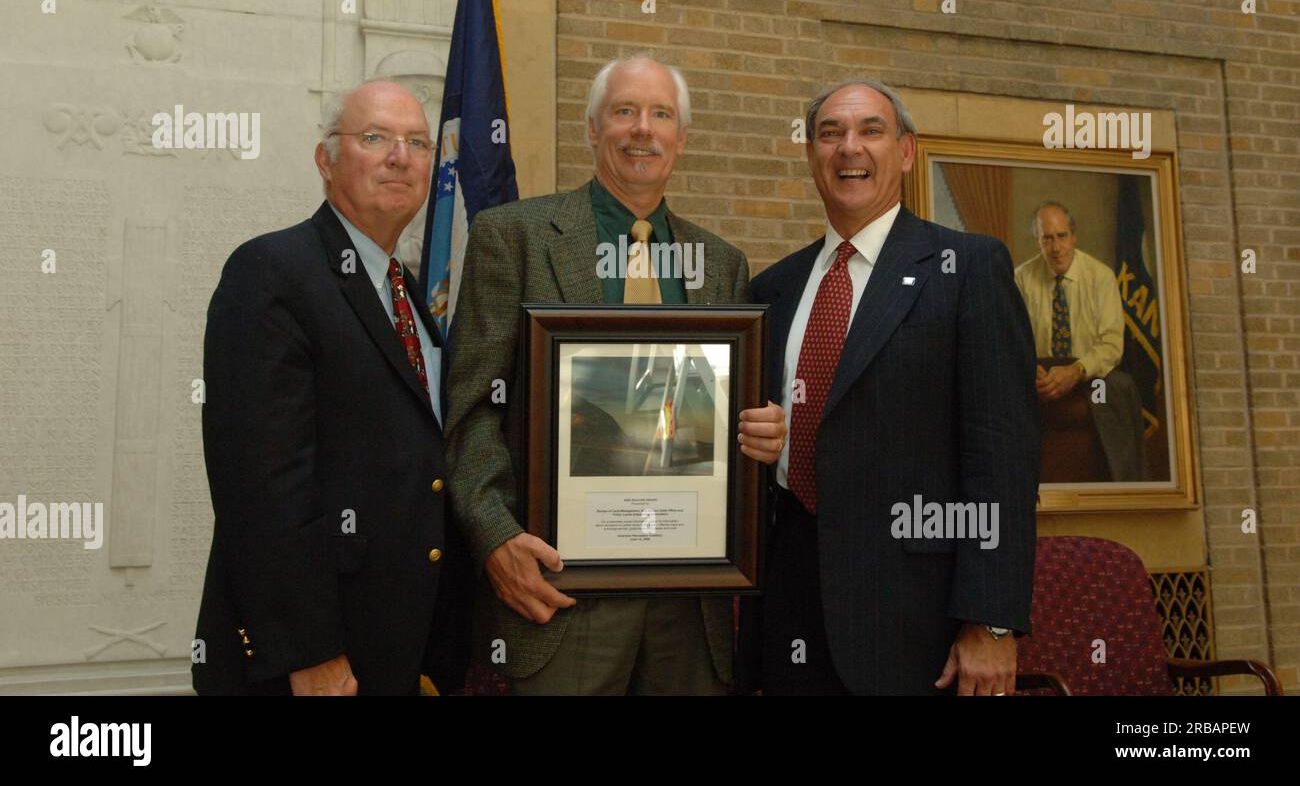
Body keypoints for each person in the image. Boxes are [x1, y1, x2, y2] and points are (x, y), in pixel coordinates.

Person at [445, 55, 786, 695]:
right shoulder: (510, 237)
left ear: (681, 138)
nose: (642, 130)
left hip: (690, 605)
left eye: (661, 115)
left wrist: (761, 433)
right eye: (624, 111)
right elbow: (472, 411)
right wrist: (496, 539)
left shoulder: (721, 265)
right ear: (593, 128)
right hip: (559, 597)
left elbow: (721, 420)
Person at [740, 78, 1039, 695]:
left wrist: (992, 622)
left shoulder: (967, 269)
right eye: (831, 134)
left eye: (870, 131)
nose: (849, 148)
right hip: (791, 607)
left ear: (905, 151)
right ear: (811, 156)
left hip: (918, 628)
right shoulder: (772, 289)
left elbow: (1002, 459)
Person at [193, 80, 469, 695]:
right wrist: (309, 651)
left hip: (397, 648)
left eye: (418, 142)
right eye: (375, 138)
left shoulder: (411, 296)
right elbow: (262, 484)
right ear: (326, 159)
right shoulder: (271, 272)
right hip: (314, 663)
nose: (401, 156)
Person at [1015, 202, 1146, 481]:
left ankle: (1121, 491)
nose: (1056, 247)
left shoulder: (1101, 277)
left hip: (1090, 373)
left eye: (1062, 236)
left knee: (1121, 388)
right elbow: (1010, 339)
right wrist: (1030, 368)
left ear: (1074, 236)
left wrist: (1076, 371)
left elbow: (1112, 345)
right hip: (1038, 375)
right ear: (1038, 241)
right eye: (1047, 238)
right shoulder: (1021, 278)